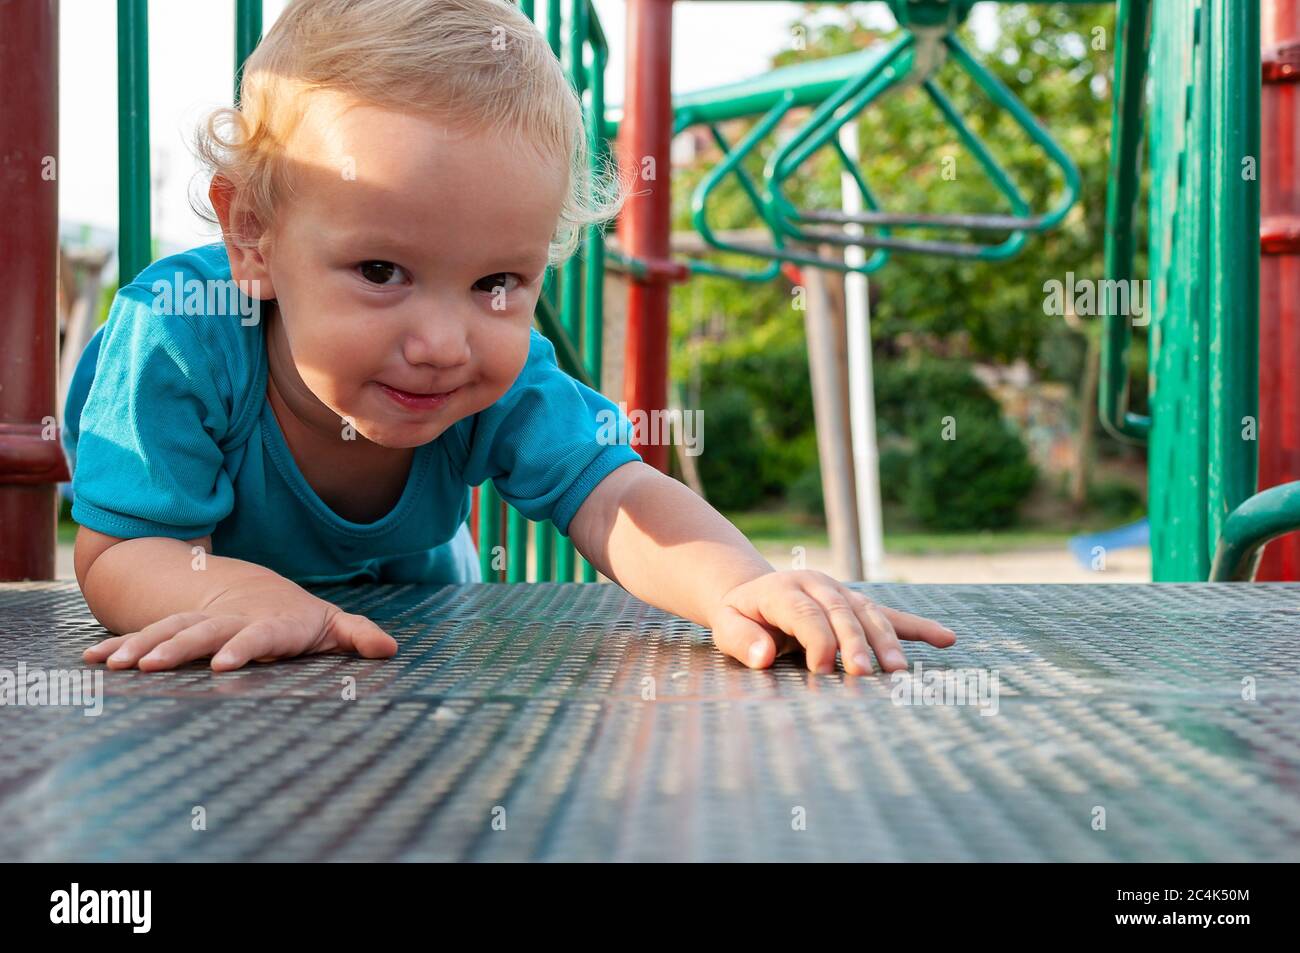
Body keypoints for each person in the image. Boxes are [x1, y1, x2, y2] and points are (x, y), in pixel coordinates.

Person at [64, 0, 956, 676]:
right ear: (253, 235)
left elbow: (614, 493)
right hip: (224, 679)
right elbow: (120, 552)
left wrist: (737, 582)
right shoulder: (182, 336)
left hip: (405, 643)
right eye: (381, 271)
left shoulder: (500, 379)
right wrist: (237, 590)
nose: (446, 341)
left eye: (497, 282)